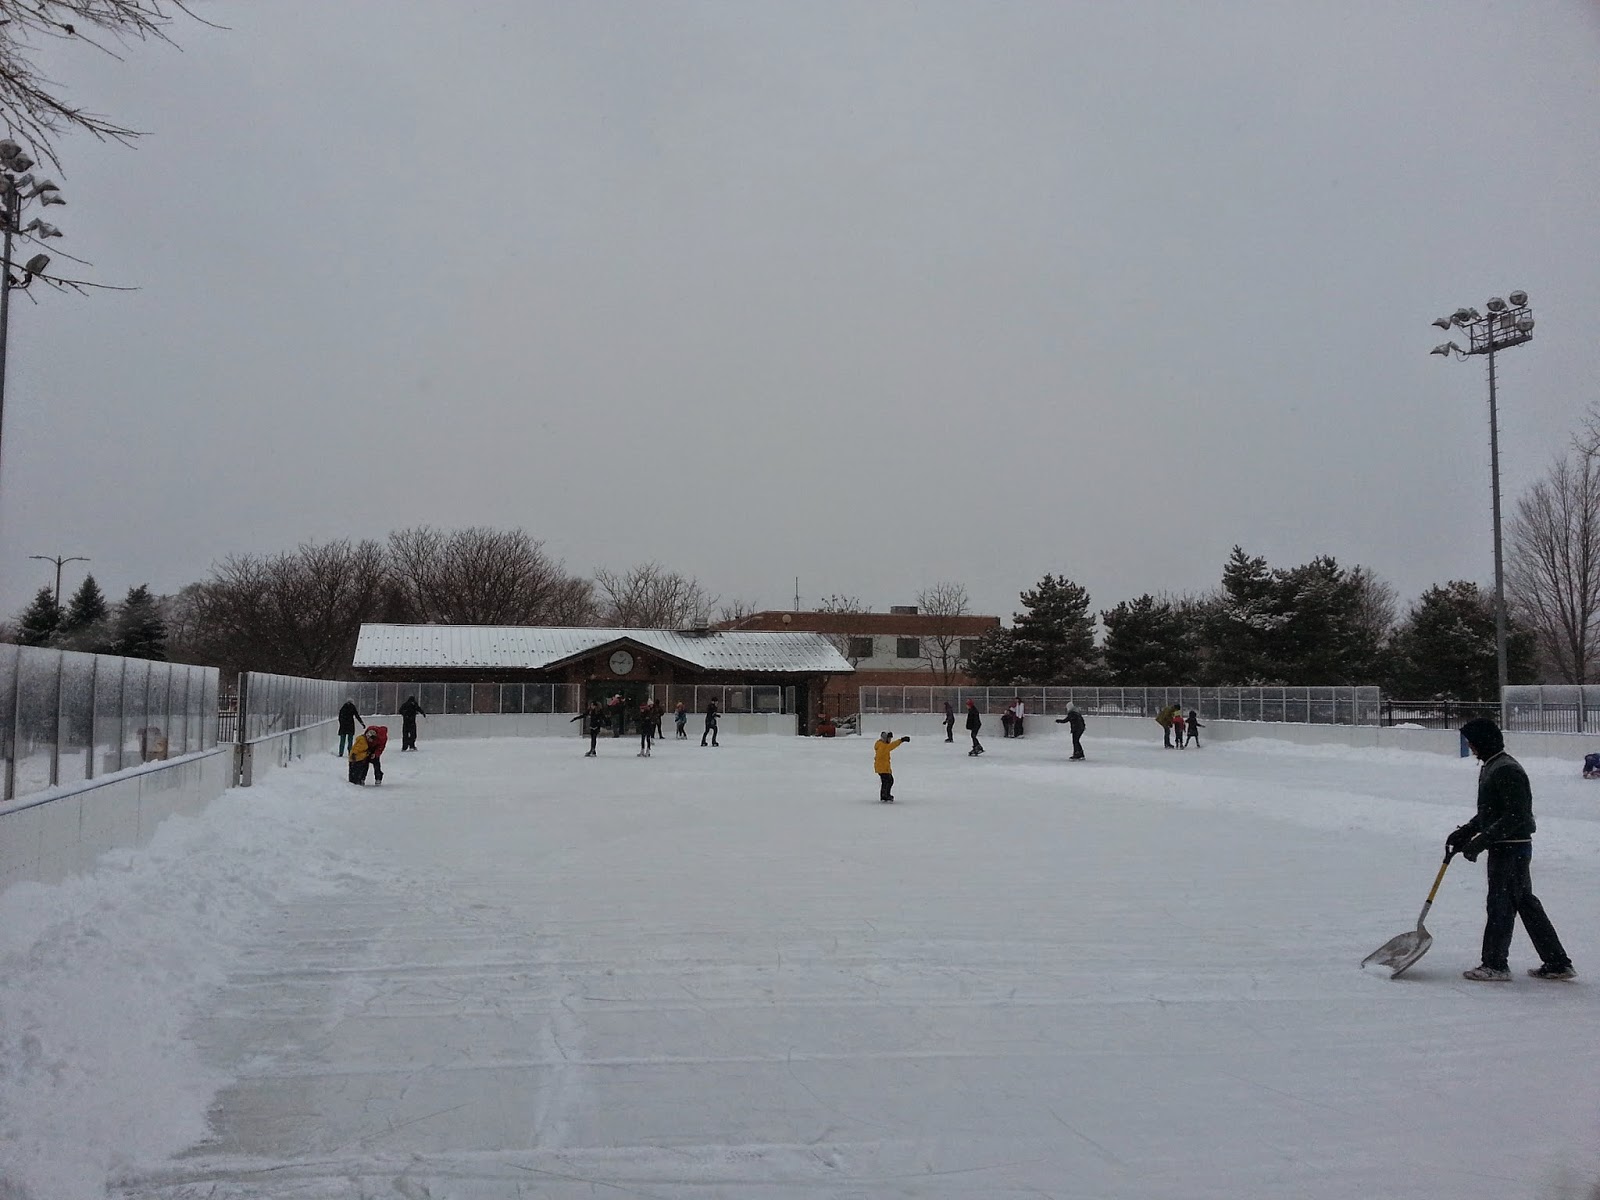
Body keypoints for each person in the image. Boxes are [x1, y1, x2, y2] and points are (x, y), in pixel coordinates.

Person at [1446, 718, 1576, 982]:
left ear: (1483, 742)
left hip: (1512, 848)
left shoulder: (1506, 769)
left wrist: (1482, 841)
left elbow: (1517, 814)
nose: (1470, 747)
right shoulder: (1493, 766)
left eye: (1472, 742)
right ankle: (1557, 962)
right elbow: (1491, 812)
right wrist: (1467, 831)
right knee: (1525, 903)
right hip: (1506, 846)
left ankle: (1495, 963)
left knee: (1500, 904)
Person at [874, 730, 909, 802]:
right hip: (882, 768)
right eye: (889, 738)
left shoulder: (882, 745)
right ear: (885, 738)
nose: (890, 740)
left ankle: (885, 795)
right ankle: (885, 796)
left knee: (887, 781)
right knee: (888, 781)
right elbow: (892, 746)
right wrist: (901, 740)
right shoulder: (882, 746)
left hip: (883, 767)